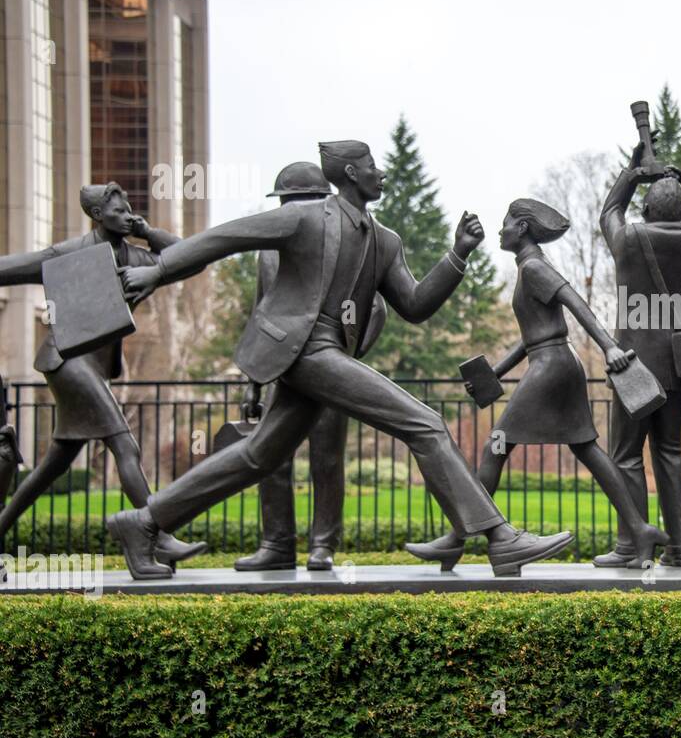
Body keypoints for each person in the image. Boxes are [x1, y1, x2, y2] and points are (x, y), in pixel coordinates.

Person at [112, 140, 572, 579]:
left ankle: (144, 521)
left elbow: (413, 305)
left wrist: (457, 254)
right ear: (351, 173)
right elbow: (224, 237)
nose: (382, 172)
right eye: (373, 165)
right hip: (306, 349)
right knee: (425, 422)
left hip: (327, 351)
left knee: (257, 455)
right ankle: (499, 537)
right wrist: (159, 269)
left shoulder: (383, 240)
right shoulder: (306, 218)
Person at [405, 198, 671, 569]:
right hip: (554, 363)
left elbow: (575, 301)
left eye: (506, 224)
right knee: (588, 450)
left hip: (551, 368)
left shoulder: (533, 266)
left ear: (523, 228)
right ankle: (640, 529)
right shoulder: (528, 267)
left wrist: (609, 347)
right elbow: (532, 335)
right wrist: (496, 371)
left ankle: (458, 537)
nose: (501, 231)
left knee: (495, 445)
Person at [0, 184, 206, 581]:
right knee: (123, 443)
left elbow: (189, 259)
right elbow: (12, 267)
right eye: (118, 210)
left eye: (130, 208)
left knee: (50, 468)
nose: (127, 214)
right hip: (68, 361)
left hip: (93, 366)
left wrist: (146, 230)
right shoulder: (69, 252)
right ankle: (155, 535)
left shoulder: (136, 256)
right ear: (97, 215)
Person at [234, 162, 387, 572]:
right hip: (282, 369)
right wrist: (252, 381)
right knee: (270, 457)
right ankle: (277, 543)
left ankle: (323, 544)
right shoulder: (270, 251)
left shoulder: (348, 245)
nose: (291, 211)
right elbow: (261, 313)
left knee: (327, 459)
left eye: (299, 202)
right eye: (287, 203)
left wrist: (346, 358)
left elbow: (376, 308)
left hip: (330, 368)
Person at [595, 139, 681, 567]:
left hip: (634, 364)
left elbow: (609, 213)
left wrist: (634, 173)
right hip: (677, 363)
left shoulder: (632, 239)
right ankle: (680, 549)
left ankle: (631, 546)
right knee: (670, 451)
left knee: (625, 455)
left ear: (646, 212)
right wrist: (666, 180)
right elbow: (678, 218)